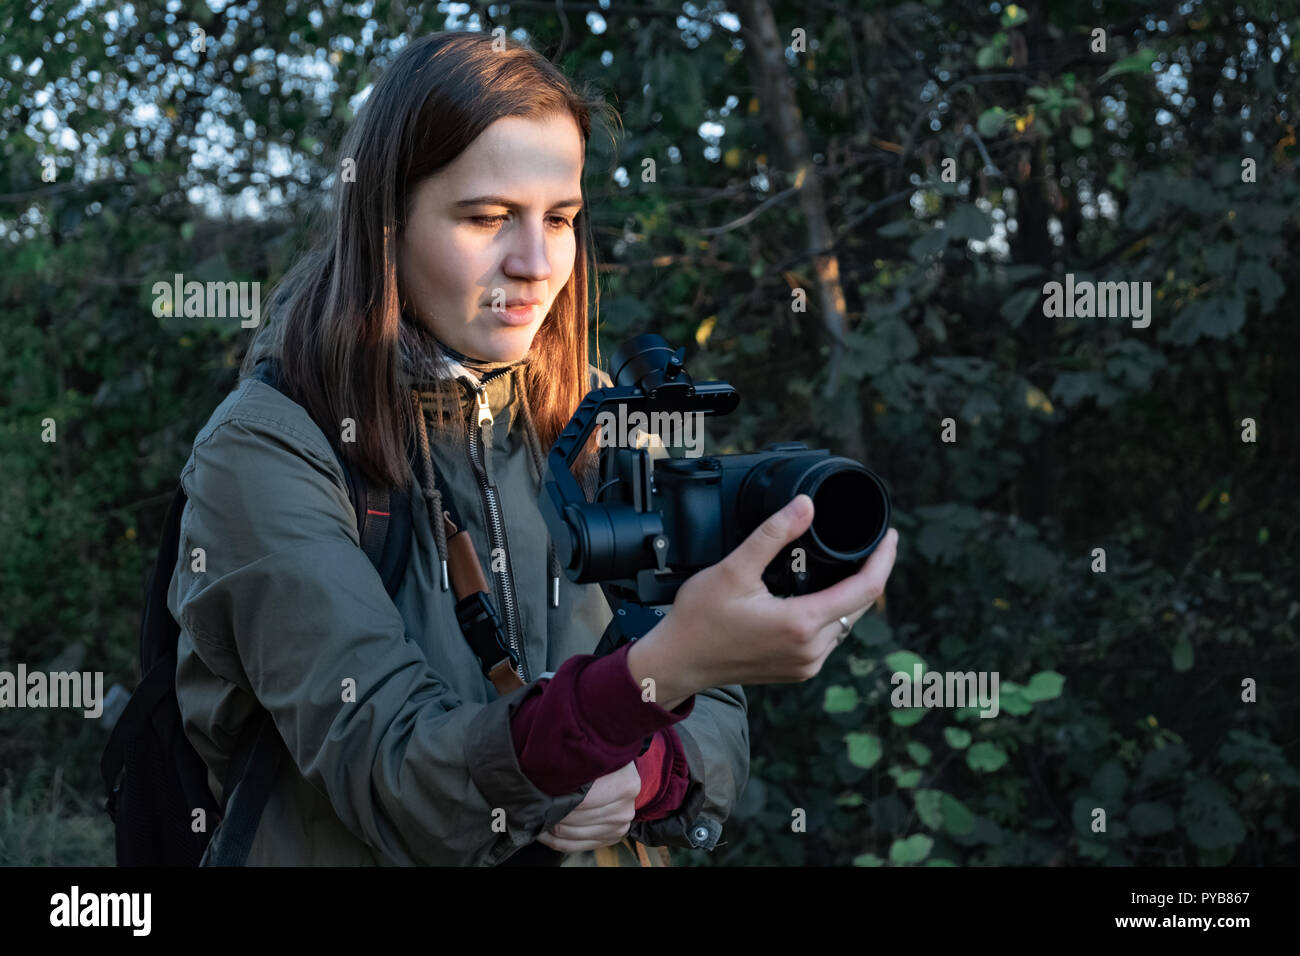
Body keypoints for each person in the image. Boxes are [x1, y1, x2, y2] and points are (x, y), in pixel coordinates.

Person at [168, 31, 899, 866]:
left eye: (561, 219)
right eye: (486, 218)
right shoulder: (269, 448)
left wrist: (651, 771)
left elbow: (713, 691)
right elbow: (394, 768)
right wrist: (625, 704)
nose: (537, 263)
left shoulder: (598, 422)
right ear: (387, 220)